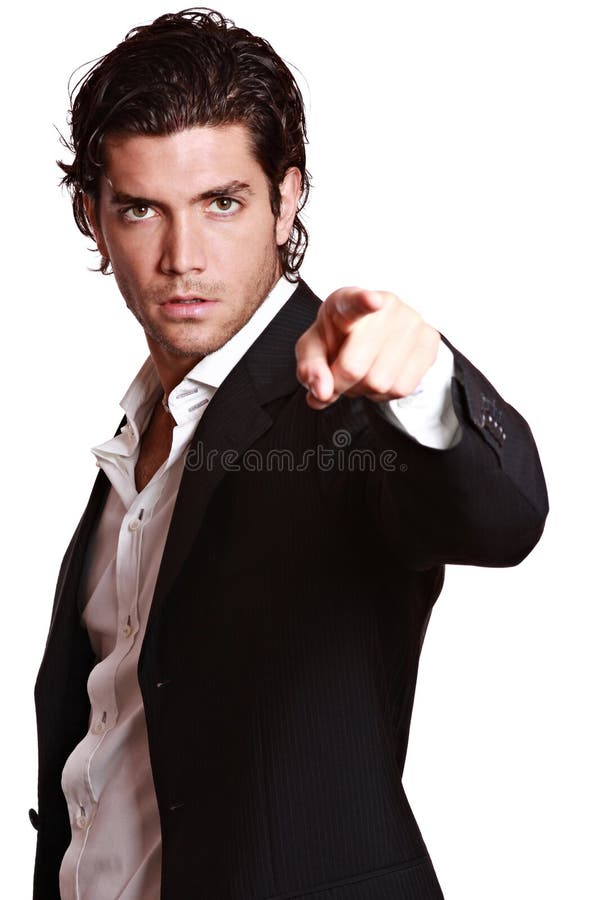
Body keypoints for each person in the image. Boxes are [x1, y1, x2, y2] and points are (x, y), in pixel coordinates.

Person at [31, 8, 549, 900]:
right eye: (142, 209)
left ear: (286, 198)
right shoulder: (139, 431)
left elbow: (504, 518)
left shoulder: (343, 395)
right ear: (94, 217)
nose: (182, 258)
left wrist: (425, 384)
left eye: (222, 203)